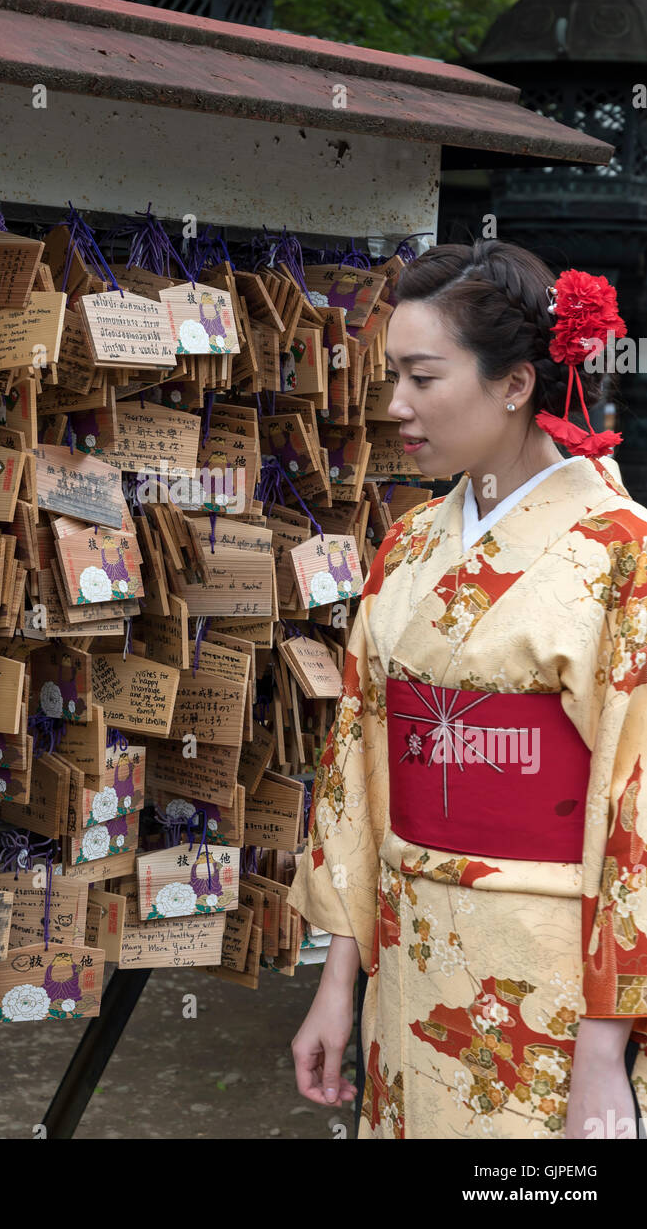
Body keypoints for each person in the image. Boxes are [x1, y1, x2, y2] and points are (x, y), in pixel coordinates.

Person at [289, 239, 647, 1139]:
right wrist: (339, 983)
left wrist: (606, 1052)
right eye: (392, 377)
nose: (396, 406)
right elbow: (356, 770)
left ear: (515, 383)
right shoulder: (407, 544)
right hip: (408, 950)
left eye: (420, 376)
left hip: (547, 975)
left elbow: (636, 805)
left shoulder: (621, 553)